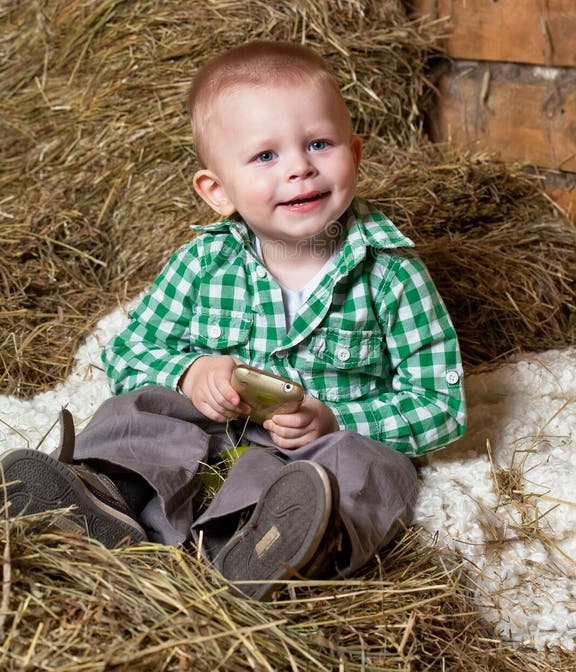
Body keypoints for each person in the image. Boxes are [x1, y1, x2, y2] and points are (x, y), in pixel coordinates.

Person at [1, 40, 466, 600]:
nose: (299, 167)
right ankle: (102, 497)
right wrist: (192, 372)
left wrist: (336, 418)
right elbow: (130, 351)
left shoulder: (392, 275)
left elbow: (440, 405)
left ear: (356, 154)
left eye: (319, 143)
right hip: (206, 428)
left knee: (372, 466)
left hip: (315, 452)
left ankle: (281, 544)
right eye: (266, 156)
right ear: (216, 191)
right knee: (140, 408)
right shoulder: (204, 262)